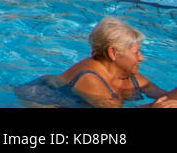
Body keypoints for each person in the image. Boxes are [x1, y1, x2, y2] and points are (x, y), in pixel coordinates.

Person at [32, 17, 176, 108]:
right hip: (41, 99)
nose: (141, 58)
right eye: (136, 52)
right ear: (113, 53)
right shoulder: (90, 79)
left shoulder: (128, 75)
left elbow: (166, 97)